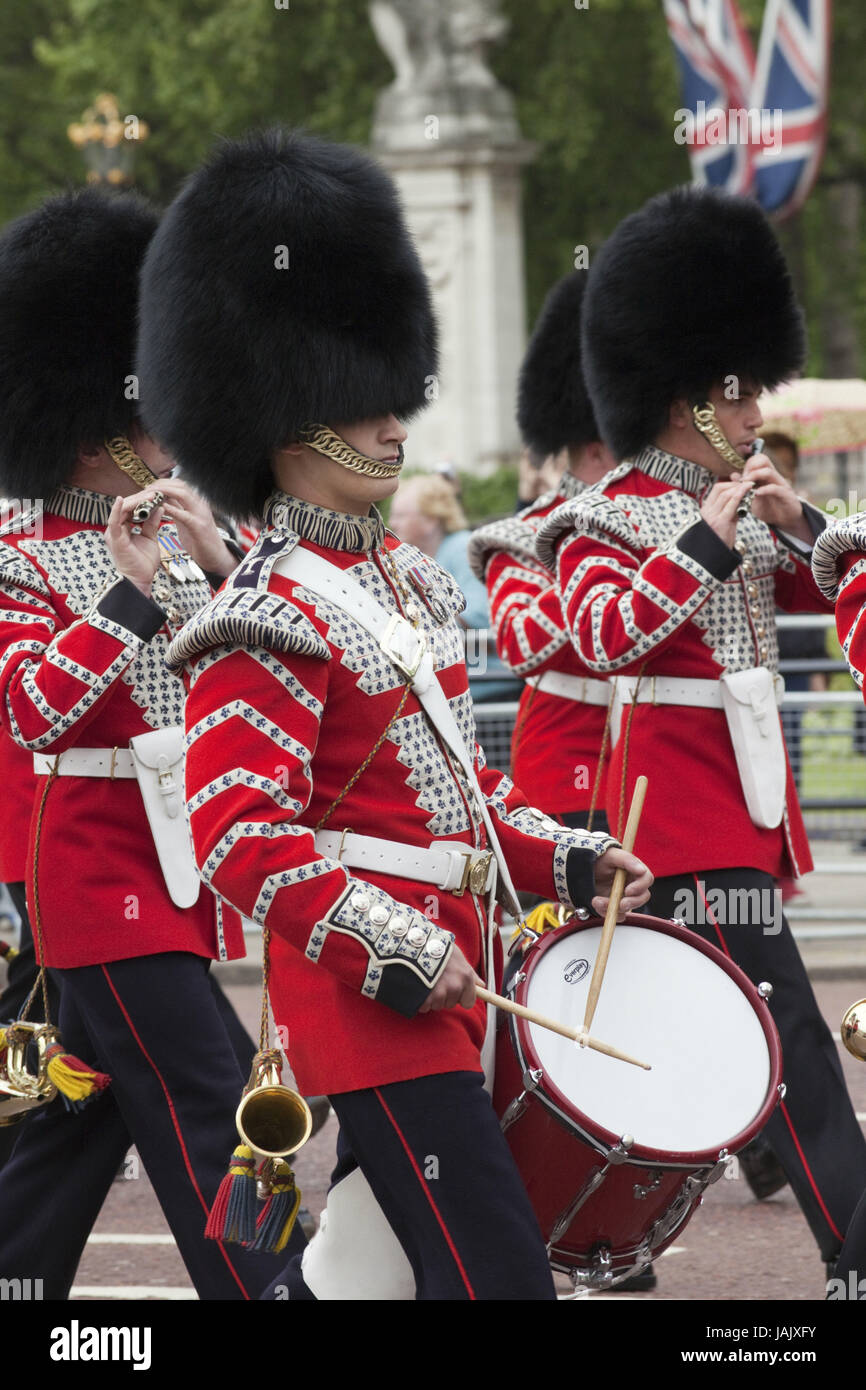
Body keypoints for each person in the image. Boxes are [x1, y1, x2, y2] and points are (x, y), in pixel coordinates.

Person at [136, 126, 653, 1301]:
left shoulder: (408, 581)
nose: (390, 421)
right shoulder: (263, 611)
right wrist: (396, 945)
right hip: (371, 998)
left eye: (388, 393)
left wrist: (561, 853)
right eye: (358, 400)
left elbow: (465, 794)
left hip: (455, 973)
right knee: (498, 1275)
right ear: (280, 416)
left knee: (360, 1275)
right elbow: (238, 837)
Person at [537, 185, 866, 1273]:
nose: (755, 412)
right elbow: (595, 634)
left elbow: (843, 597)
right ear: (688, 396)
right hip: (669, 828)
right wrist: (703, 543)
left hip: (740, 814)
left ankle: (609, 1249)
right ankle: (852, 1251)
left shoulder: (745, 497)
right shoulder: (604, 514)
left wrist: (792, 519)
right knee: (783, 1050)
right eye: (741, 394)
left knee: (699, 1050)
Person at [0, 186, 295, 1298]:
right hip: (92, 871)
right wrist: (124, 599)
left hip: (177, 864)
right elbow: (34, 708)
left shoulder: (183, 528)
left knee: (85, 1113)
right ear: (90, 435)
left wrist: (220, 561)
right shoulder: (16, 553)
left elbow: (282, 640)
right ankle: (267, 1290)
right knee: (212, 1102)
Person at [469, 271, 616, 835]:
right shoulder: (525, 535)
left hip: (663, 765)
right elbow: (523, 642)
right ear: (600, 443)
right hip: (569, 767)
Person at [388, 473, 519, 702]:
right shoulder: (418, 557)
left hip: (492, 687)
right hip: (464, 689)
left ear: (431, 520)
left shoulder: (462, 548)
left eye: (400, 515)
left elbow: (480, 615)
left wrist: (415, 629)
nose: (392, 523)